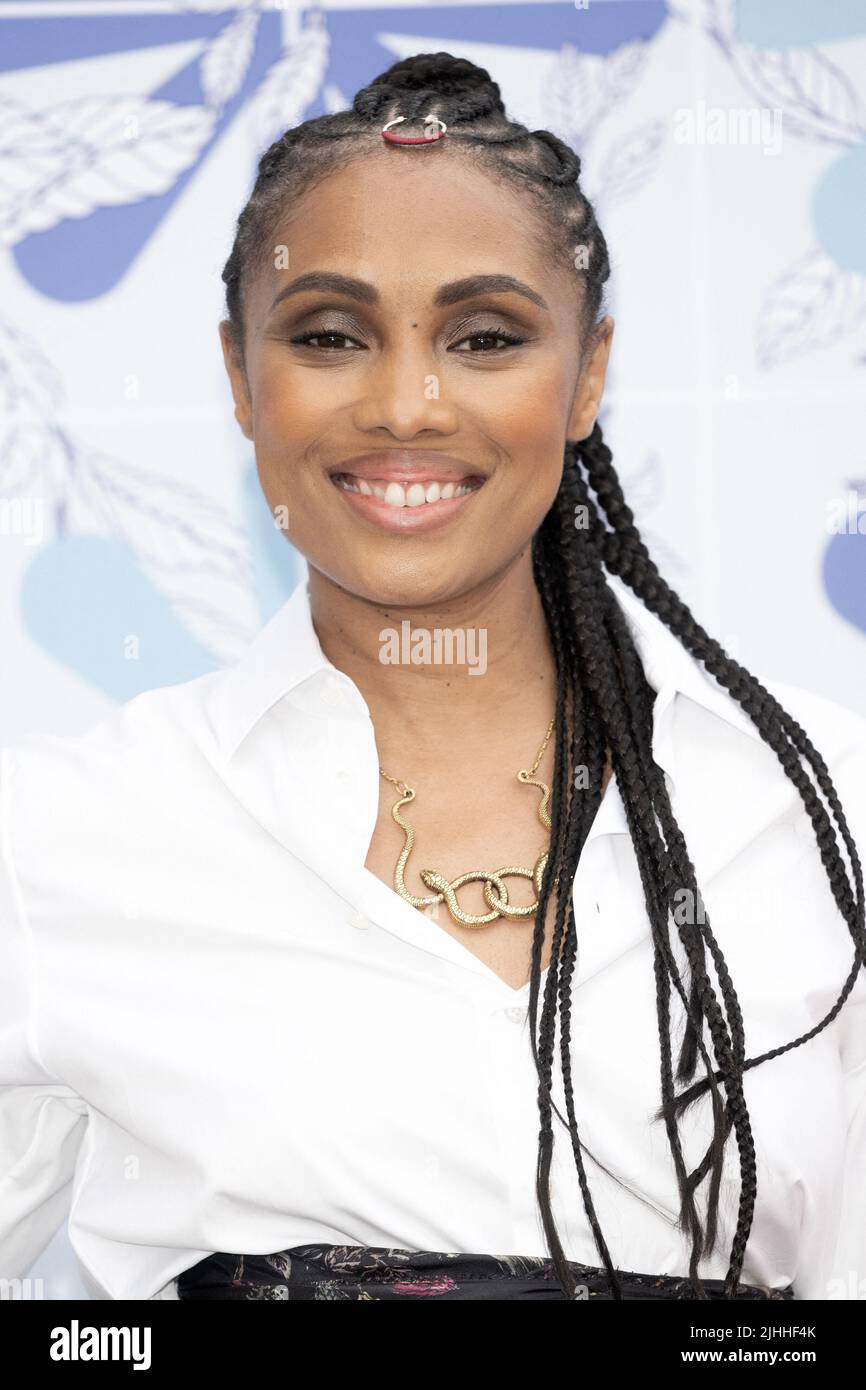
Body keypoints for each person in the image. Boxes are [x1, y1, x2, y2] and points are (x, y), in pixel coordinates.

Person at [1, 51, 864, 1304]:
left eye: (484, 336)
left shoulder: (819, 809)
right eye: (331, 334)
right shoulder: (62, 840)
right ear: (243, 376)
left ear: (589, 374)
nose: (406, 404)